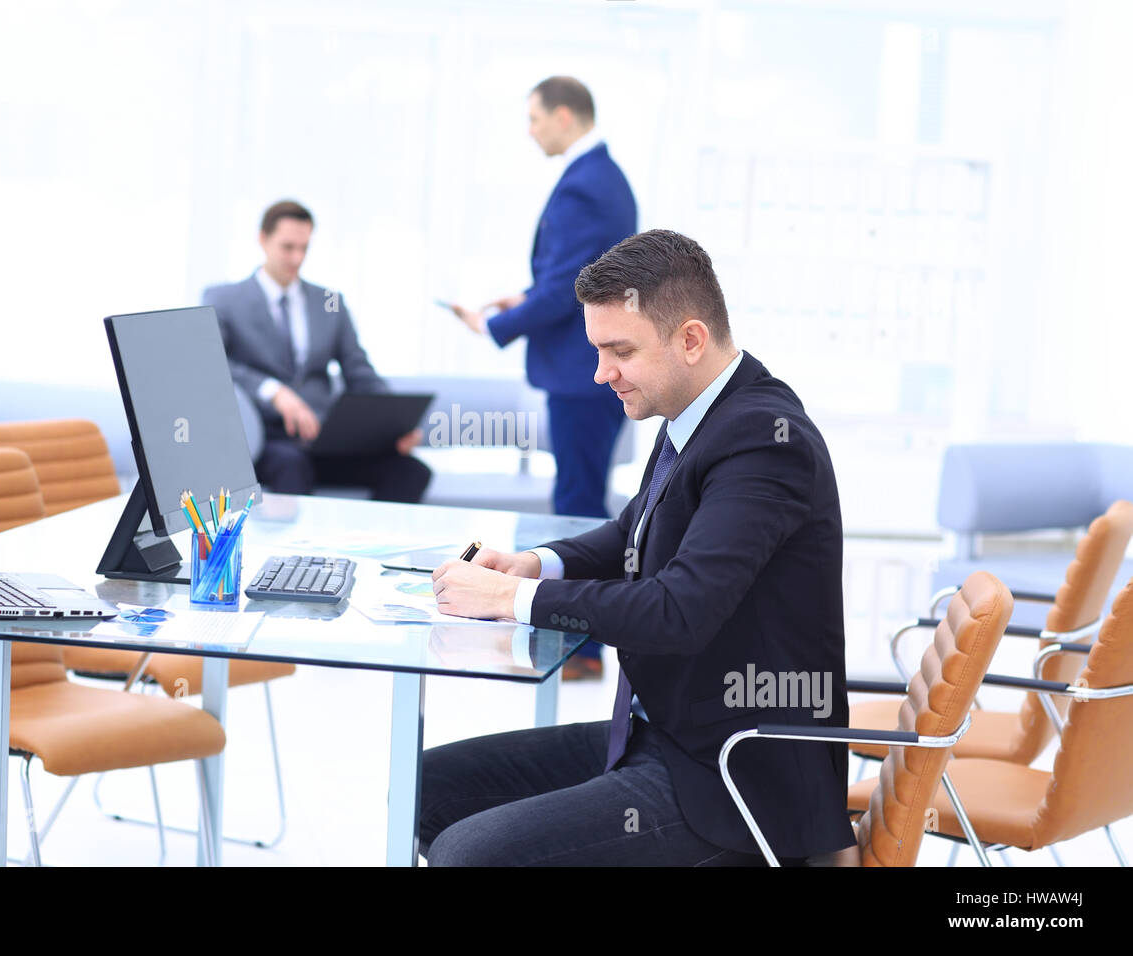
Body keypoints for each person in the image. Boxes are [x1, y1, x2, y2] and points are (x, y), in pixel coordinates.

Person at [421, 230, 855, 866]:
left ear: (690, 339)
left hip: (730, 779)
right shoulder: (695, 411)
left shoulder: (766, 441)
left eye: (619, 350)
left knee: (471, 855)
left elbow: (678, 612)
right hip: (662, 735)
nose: (601, 373)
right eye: (598, 350)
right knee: (424, 789)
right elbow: (633, 531)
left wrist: (515, 598)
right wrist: (536, 564)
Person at [449, 76, 637, 679]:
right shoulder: (597, 178)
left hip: (582, 374)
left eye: (534, 119)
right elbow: (567, 278)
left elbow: (569, 288)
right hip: (582, 372)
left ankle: (578, 650)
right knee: (576, 506)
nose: (529, 132)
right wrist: (523, 298)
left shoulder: (586, 185)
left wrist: (497, 326)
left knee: (577, 512)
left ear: (563, 115)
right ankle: (574, 645)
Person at [203, 200, 430, 503]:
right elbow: (212, 365)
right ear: (262, 240)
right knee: (291, 466)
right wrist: (273, 391)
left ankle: (365, 545)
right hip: (266, 439)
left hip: (323, 439)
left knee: (411, 471)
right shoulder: (225, 299)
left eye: (304, 248)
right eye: (287, 247)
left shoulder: (329, 303)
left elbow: (359, 371)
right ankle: (295, 551)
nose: (297, 258)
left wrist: (396, 426)